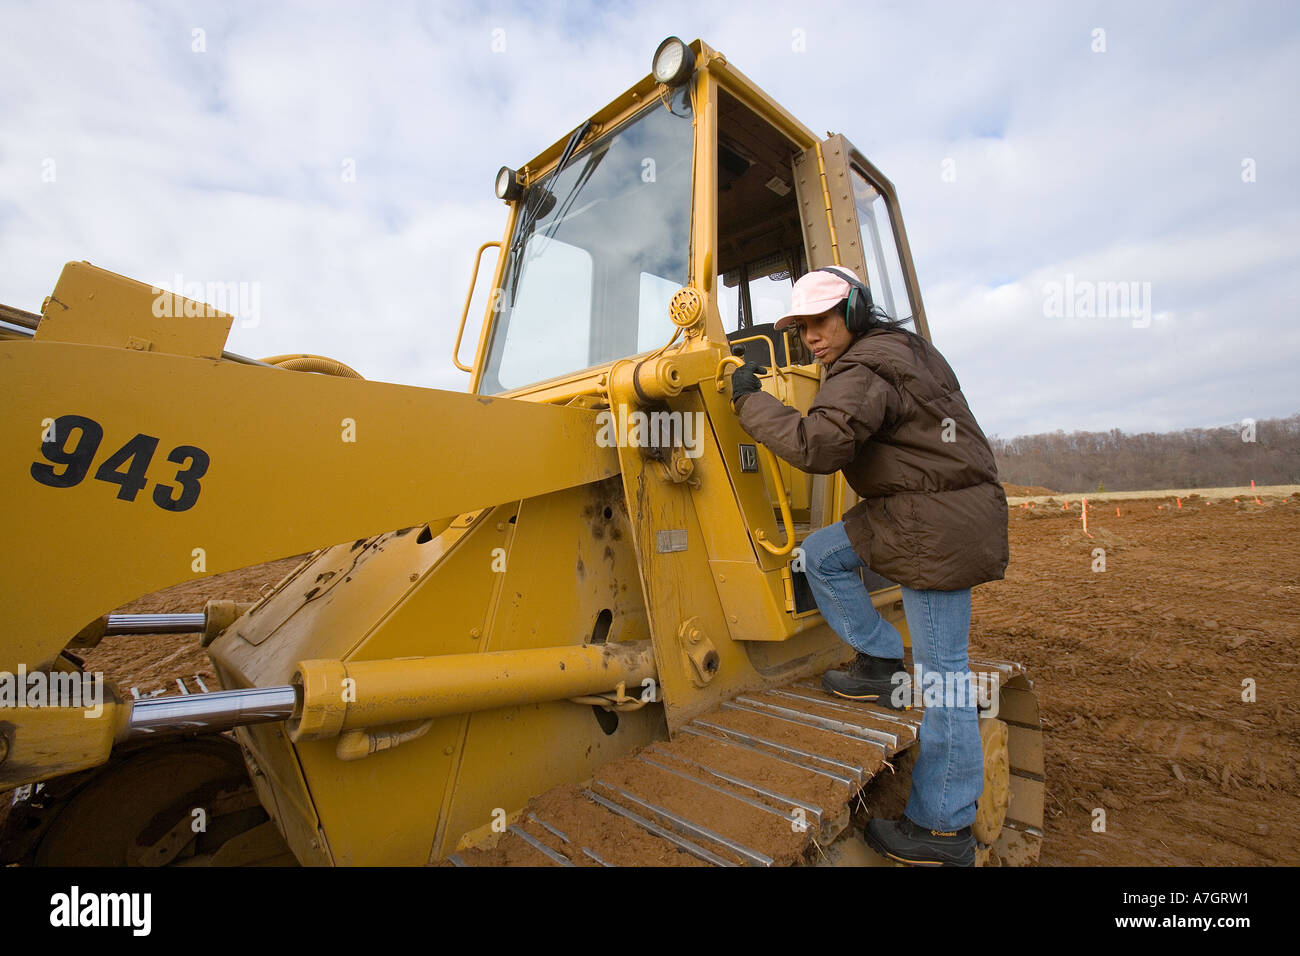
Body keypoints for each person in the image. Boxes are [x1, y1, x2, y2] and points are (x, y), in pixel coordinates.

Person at [729, 265, 1008, 867]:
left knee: (944, 677)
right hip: (913, 511)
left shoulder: (864, 368)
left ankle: (942, 828)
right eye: (803, 328)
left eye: (823, 321)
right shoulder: (901, 352)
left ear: (853, 312)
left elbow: (819, 447)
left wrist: (750, 401)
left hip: (932, 526)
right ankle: (880, 660)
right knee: (820, 555)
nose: (813, 338)